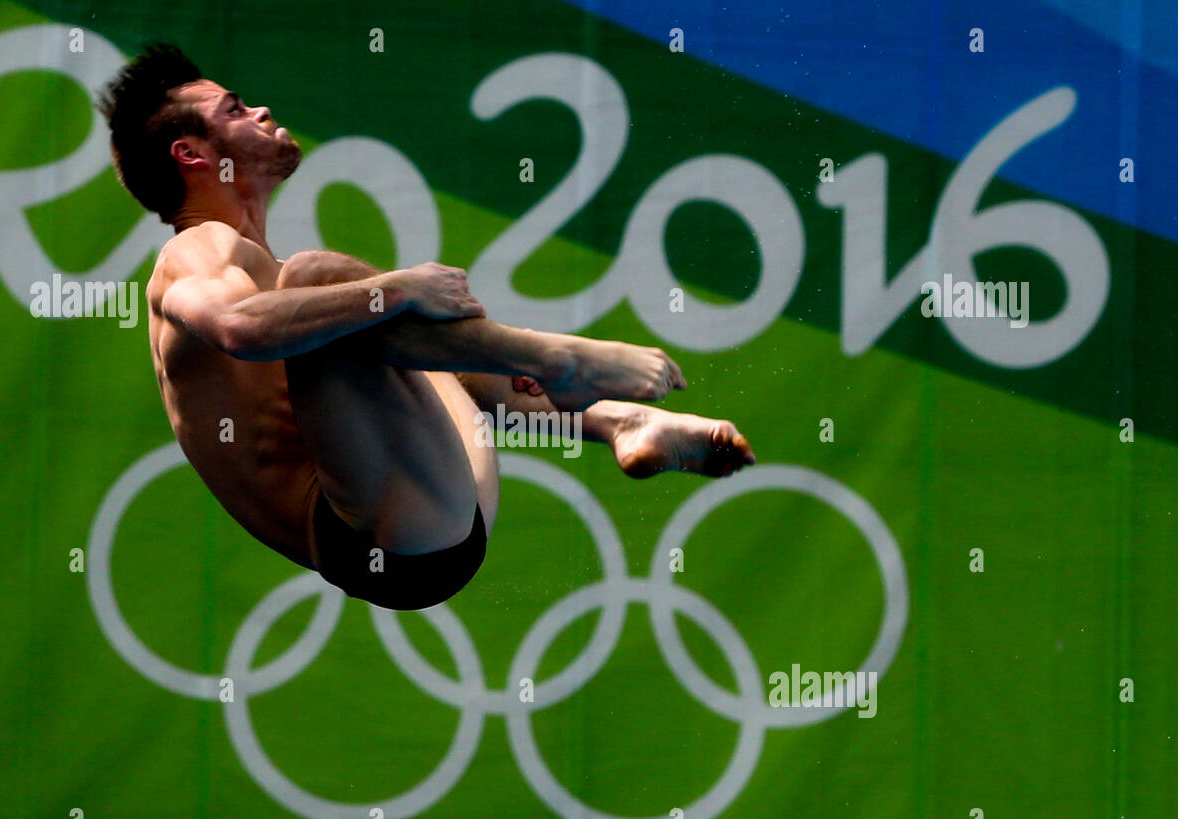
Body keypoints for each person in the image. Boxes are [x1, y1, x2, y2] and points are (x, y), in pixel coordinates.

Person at [97, 43, 755, 610]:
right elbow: (239, 327)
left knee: (360, 308)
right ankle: (560, 362)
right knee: (326, 280)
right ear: (190, 153)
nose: (261, 110)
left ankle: (614, 419)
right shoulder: (194, 251)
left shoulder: (250, 260)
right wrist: (404, 286)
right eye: (234, 109)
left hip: (434, 512)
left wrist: (392, 297)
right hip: (375, 534)